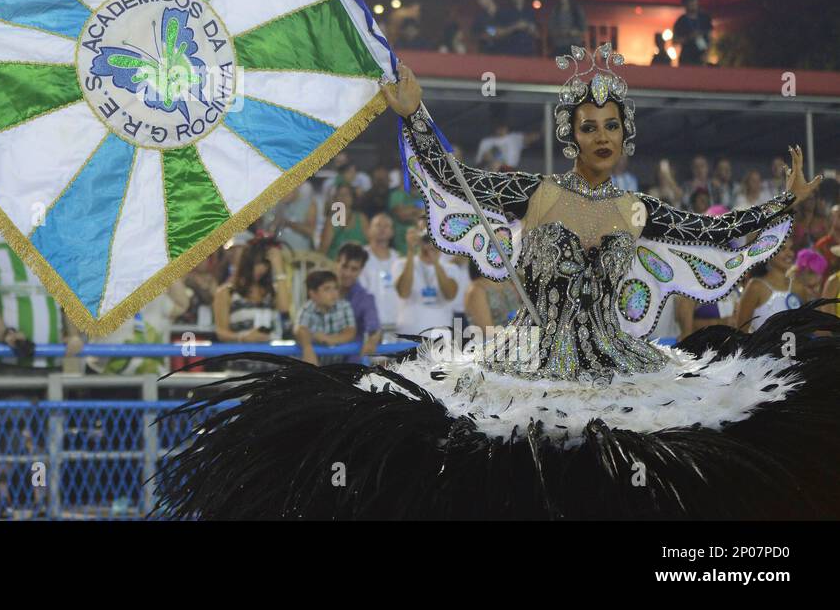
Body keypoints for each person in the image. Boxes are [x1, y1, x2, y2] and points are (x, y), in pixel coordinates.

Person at [158, 45, 838, 519]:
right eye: (587, 125)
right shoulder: (536, 194)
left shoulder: (639, 211)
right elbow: (459, 180)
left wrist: (785, 204)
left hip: (620, 369)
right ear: (572, 136)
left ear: (623, 136)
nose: (600, 133)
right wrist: (414, 114)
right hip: (529, 367)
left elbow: (716, 232)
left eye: (610, 125)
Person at [294, 270, 357, 367]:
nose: (334, 293)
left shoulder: (344, 306)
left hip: (339, 368)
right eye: (327, 289)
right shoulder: (306, 309)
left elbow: (350, 332)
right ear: (313, 294)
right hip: (314, 370)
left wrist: (329, 339)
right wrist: (308, 349)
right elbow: (300, 330)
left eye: (335, 288)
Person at [332, 243, 381, 362]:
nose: (348, 273)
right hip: (319, 365)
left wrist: (372, 340)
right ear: (336, 263)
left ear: (361, 270)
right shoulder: (318, 290)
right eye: (344, 266)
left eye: (354, 269)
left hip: (349, 370)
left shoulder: (366, 299)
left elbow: (374, 328)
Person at [671, 0, 712, 65]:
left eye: (695, 1)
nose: (693, 3)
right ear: (685, 3)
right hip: (686, 59)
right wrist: (689, 37)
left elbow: (710, 39)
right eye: (690, 1)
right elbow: (675, 41)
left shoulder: (705, 19)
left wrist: (706, 54)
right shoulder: (681, 21)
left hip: (701, 58)